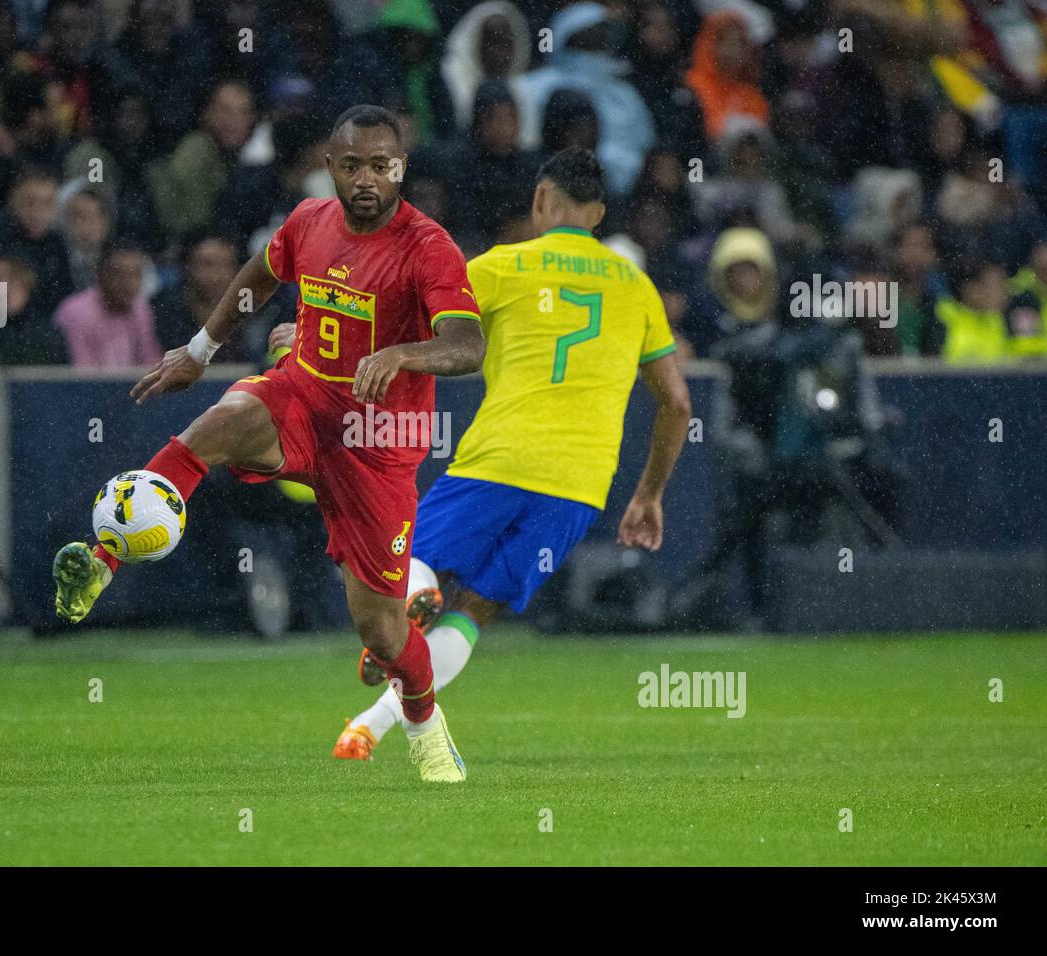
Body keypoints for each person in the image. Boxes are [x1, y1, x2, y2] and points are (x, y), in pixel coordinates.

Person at [50, 105, 485, 783]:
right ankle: (105, 556)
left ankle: (426, 725)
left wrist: (402, 355)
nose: (366, 178)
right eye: (351, 165)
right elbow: (260, 273)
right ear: (330, 168)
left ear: (401, 167)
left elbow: (467, 345)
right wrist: (199, 349)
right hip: (303, 397)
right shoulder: (310, 221)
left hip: (377, 441)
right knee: (213, 427)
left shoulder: (428, 248)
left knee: (382, 633)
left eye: (381, 164)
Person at [313, 148, 691, 761]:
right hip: (579, 487)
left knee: (412, 559)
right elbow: (676, 403)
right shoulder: (637, 287)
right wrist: (648, 494)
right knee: (477, 610)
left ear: (542, 201)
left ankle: (410, 605)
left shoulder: (503, 267)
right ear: (597, 214)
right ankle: (370, 727)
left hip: (497, 461)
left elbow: (410, 321)